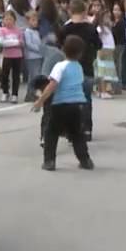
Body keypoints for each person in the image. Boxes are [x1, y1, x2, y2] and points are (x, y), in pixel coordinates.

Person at [32, 34, 94, 172]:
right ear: (80, 53)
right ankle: (85, 160)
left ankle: (49, 161)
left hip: (60, 104)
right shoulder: (78, 67)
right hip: (78, 104)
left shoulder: (60, 66)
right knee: (77, 134)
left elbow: (52, 85)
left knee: (51, 133)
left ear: (63, 49)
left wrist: (40, 100)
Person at [58, 0, 102, 141]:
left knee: (69, 100)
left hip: (69, 68)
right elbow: (99, 45)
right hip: (86, 67)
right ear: (84, 12)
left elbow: (59, 45)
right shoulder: (90, 28)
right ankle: (87, 129)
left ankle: (70, 129)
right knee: (86, 99)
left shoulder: (65, 29)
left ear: (69, 11)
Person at [0, 10, 24, 102]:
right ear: (3, 20)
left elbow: (21, 43)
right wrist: (15, 42)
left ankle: (15, 94)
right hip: (7, 56)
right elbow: (2, 43)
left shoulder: (18, 30)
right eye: (6, 19)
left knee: (16, 76)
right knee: (5, 75)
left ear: (14, 20)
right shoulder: (2, 30)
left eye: (10, 19)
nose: (8, 21)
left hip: (17, 56)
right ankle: (5, 92)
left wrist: (10, 43)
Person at [95, 6, 119, 99]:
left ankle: (104, 89)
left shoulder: (108, 28)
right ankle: (102, 90)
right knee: (103, 72)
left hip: (109, 51)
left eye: (109, 17)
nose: (108, 19)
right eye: (106, 17)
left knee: (107, 71)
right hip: (103, 51)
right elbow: (98, 39)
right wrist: (99, 49)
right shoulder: (100, 28)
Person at [21, 9, 44, 103]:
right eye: (33, 20)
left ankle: (32, 93)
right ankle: (31, 93)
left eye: (36, 20)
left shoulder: (36, 32)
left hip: (38, 56)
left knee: (36, 75)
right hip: (32, 57)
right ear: (27, 21)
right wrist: (39, 49)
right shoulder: (27, 32)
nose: (35, 22)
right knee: (34, 75)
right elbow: (29, 44)